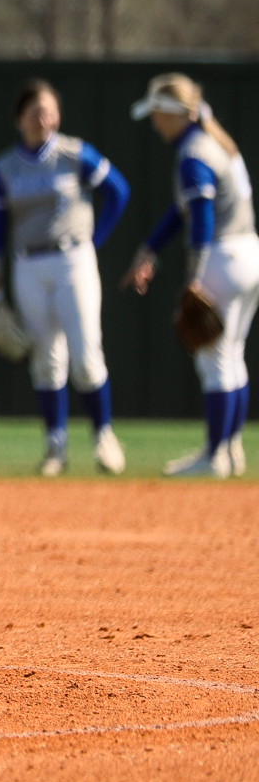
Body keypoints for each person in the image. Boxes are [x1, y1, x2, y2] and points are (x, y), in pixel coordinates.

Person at [0, 79, 130, 477]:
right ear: (20, 118)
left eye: (49, 111)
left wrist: (93, 242)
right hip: (28, 264)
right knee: (46, 360)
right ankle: (55, 446)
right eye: (35, 112)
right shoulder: (5, 167)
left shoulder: (74, 153)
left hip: (71, 259)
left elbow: (118, 191)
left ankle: (104, 437)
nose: (43, 118)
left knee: (85, 356)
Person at [125, 73, 255, 479]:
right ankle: (229, 450)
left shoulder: (195, 153)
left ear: (171, 113)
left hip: (222, 256)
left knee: (214, 362)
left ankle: (213, 457)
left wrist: (194, 278)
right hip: (249, 252)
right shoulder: (219, 144)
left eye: (156, 113)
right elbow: (183, 209)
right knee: (232, 356)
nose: (154, 122)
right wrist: (150, 249)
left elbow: (200, 216)